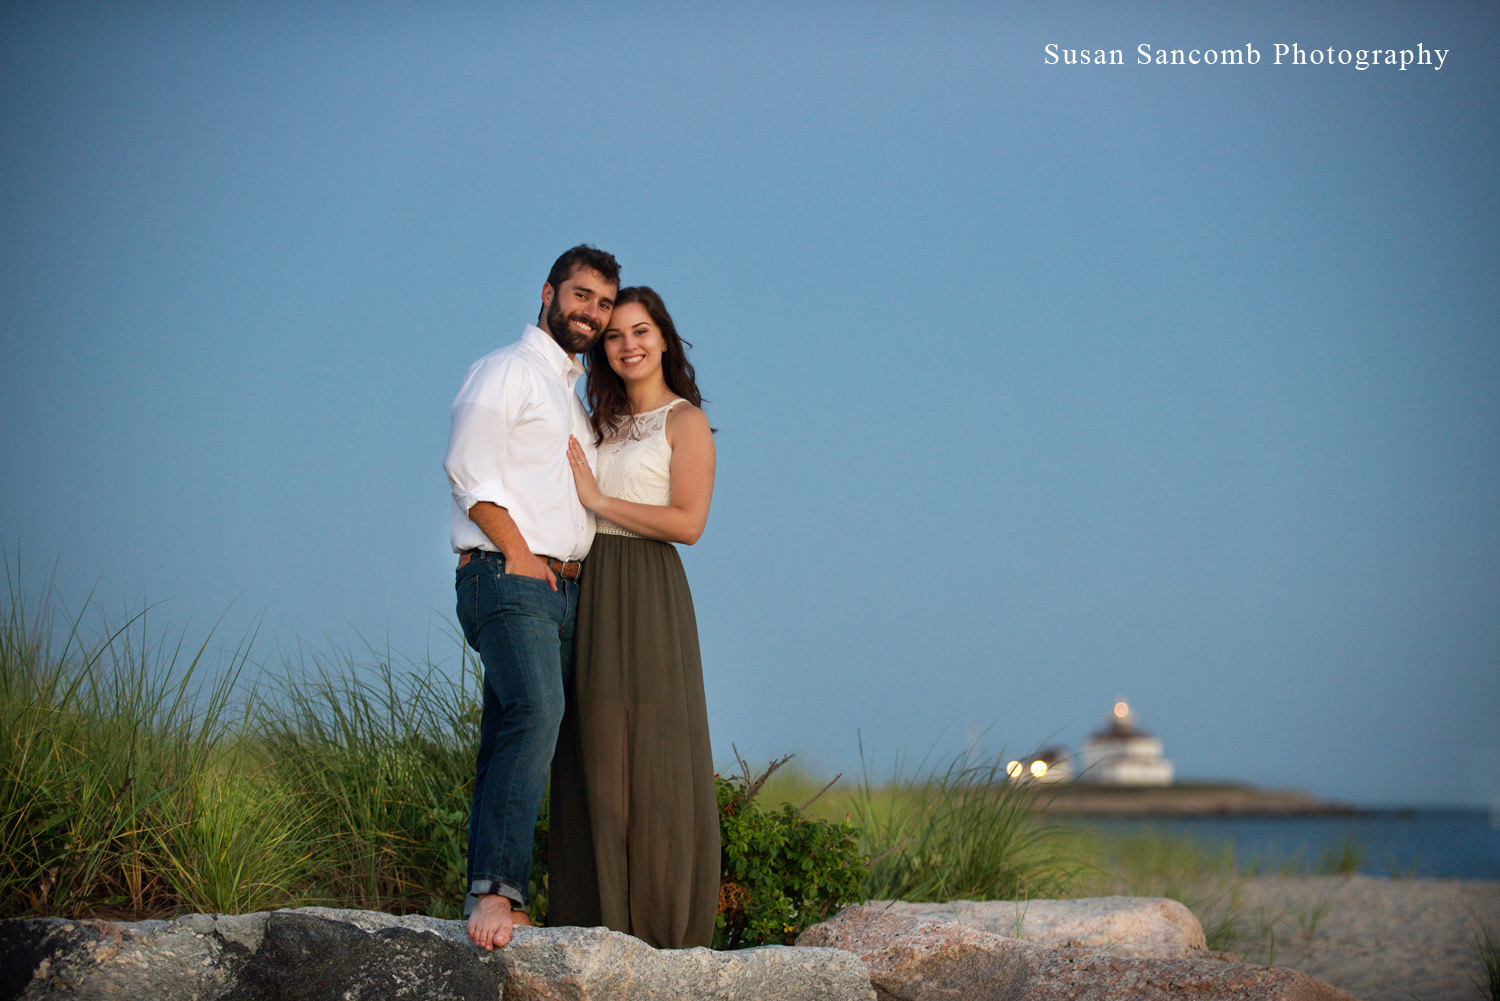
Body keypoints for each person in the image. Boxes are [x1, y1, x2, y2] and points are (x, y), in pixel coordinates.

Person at [443, 244, 620, 950]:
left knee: (510, 731)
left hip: (558, 589)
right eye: (580, 296)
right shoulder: (507, 369)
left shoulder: (569, 396)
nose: (591, 313)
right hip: (507, 573)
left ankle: (490, 889)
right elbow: (467, 469)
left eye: (603, 303)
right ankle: (497, 893)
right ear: (548, 294)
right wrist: (519, 555)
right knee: (537, 712)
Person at [547, 285, 720, 949]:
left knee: (655, 754)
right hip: (590, 589)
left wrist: (598, 499)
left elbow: (689, 523)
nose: (628, 345)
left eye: (641, 330)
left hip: (649, 590)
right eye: (615, 334)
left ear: (664, 338)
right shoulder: (598, 421)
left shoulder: (686, 421)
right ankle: (593, 923)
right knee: (592, 751)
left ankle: (662, 930)